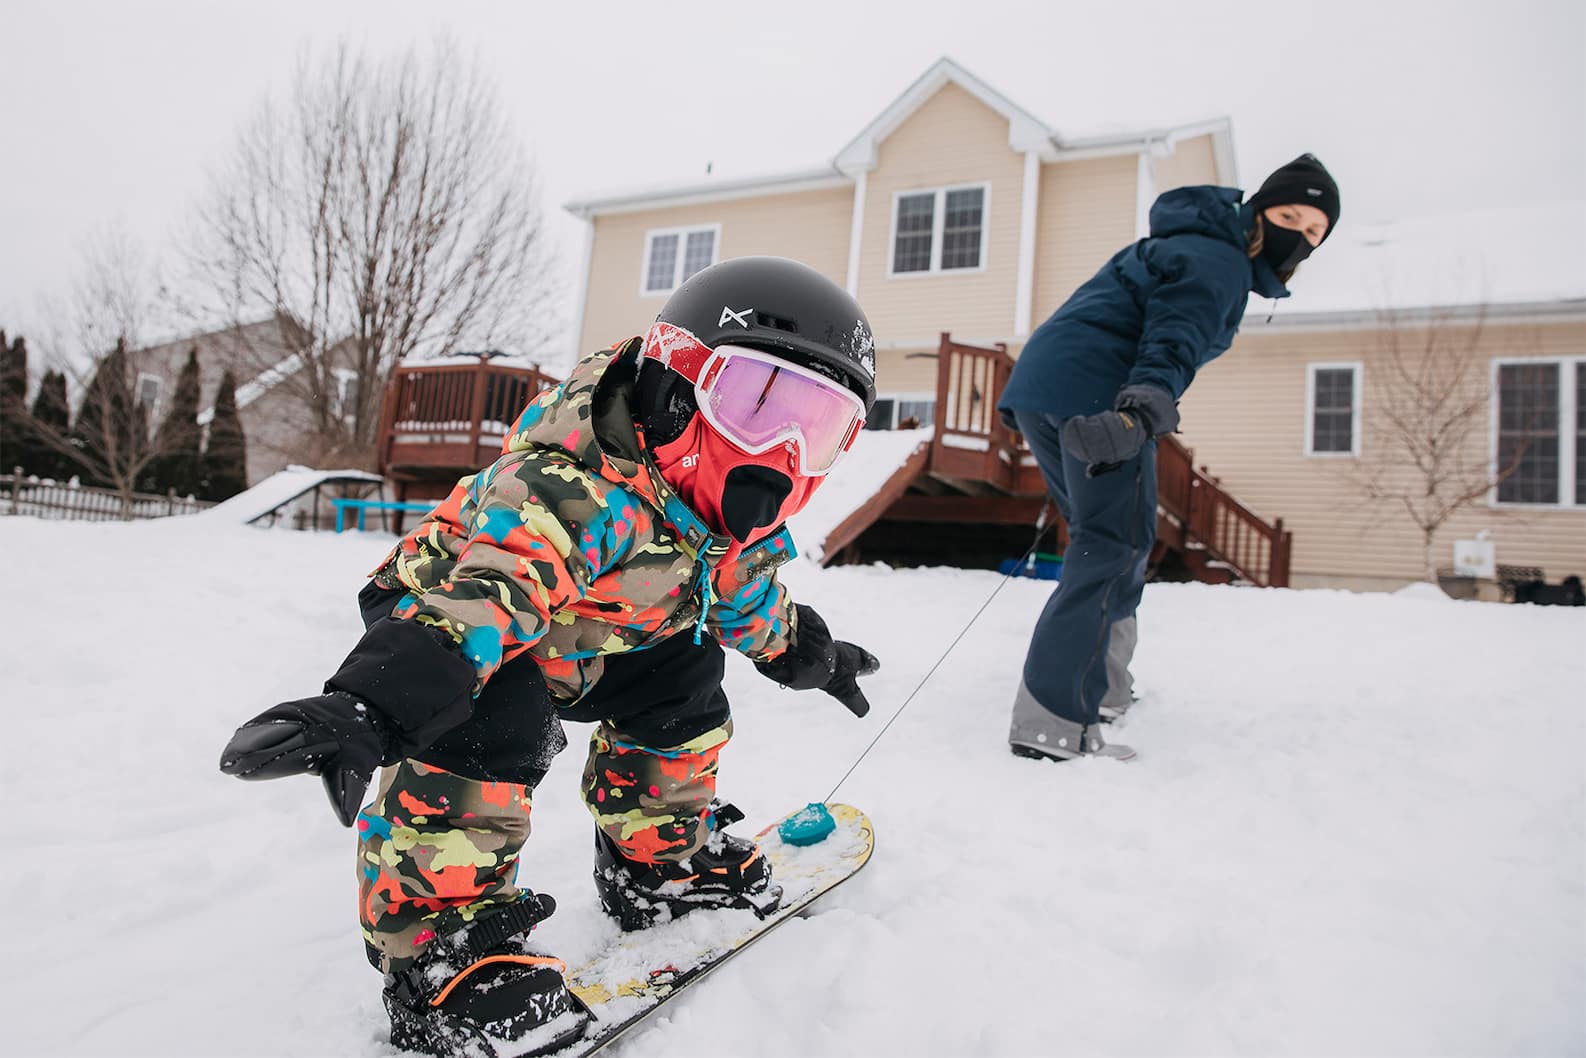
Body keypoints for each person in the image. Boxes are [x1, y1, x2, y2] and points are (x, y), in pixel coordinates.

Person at [218, 256, 883, 1056]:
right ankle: (441, 946)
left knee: (687, 674)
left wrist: (817, 659)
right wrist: (373, 704)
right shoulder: (571, 489)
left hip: (593, 642)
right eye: (753, 402)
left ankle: (657, 858)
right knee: (495, 718)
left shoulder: (723, 526)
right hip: (448, 627)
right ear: (673, 386)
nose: (779, 449)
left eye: (817, 429)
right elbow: (489, 600)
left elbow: (749, 607)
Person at [996, 154, 1341, 763]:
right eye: (1290, 216)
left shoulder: (1193, 243)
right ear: (1258, 212)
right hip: (1097, 393)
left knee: (1112, 537)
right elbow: (1172, 338)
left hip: (1043, 389)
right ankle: (1052, 720)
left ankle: (1100, 688)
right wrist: (1139, 410)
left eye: (1315, 231)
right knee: (1114, 543)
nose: (1300, 236)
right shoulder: (1219, 259)